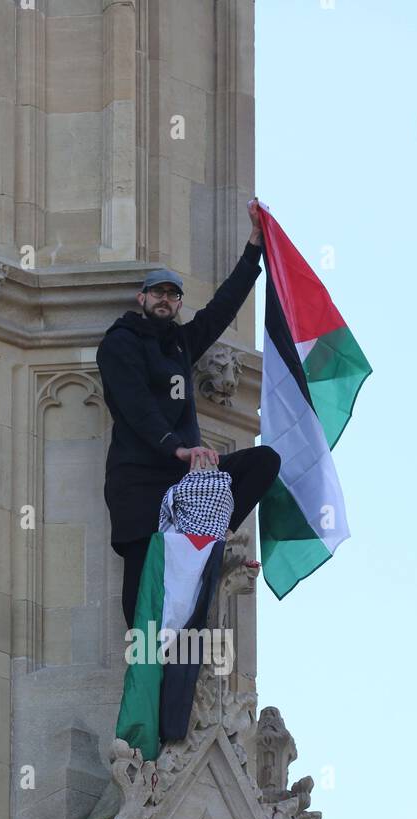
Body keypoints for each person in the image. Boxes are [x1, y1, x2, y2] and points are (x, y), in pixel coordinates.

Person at [96, 197, 281, 628]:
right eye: (157, 292)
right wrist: (177, 449)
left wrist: (255, 245)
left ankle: (213, 533)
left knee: (263, 461)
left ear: (179, 303)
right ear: (142, 297)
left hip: (187, 485)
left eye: (173, 295)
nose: (165, 300)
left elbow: (222, 308)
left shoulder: (180, 344)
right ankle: (143, 659)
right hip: (140, 479)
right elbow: (135, 406)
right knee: (142, 579)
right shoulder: (119, 343)